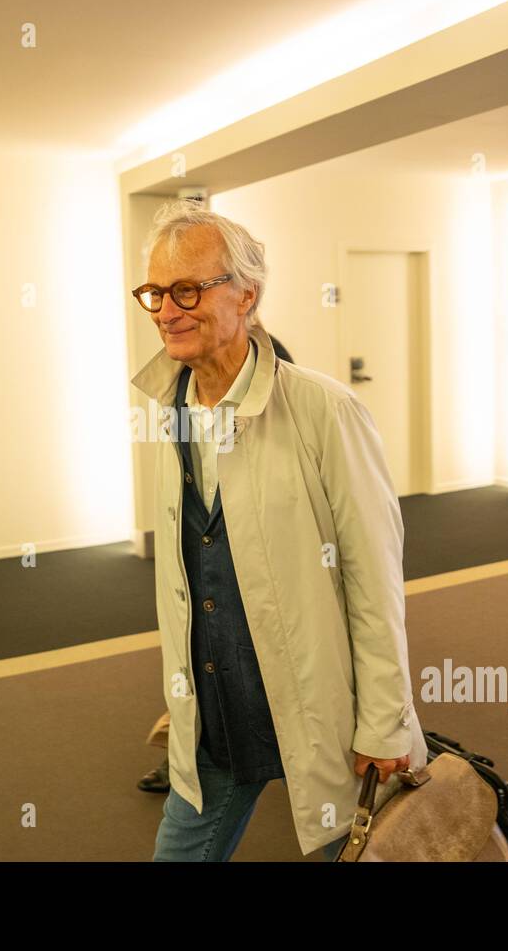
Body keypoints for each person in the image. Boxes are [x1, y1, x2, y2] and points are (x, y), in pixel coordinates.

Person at [130, 198, 427, 860]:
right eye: (154, 292)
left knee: (350, 852)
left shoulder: (324, 410)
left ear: (247, 295)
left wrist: (385, 722)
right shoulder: (168, 409)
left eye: (187, 290)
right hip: (215, 706)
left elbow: (372, 577)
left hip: (319, 706)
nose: (166, 311)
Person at [135, 333, 295, 796]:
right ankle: (187, 753)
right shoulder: (178, 387)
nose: (171, 314)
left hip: (258, 560)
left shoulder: (278, 369)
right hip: (204, 565)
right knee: (205, 665)